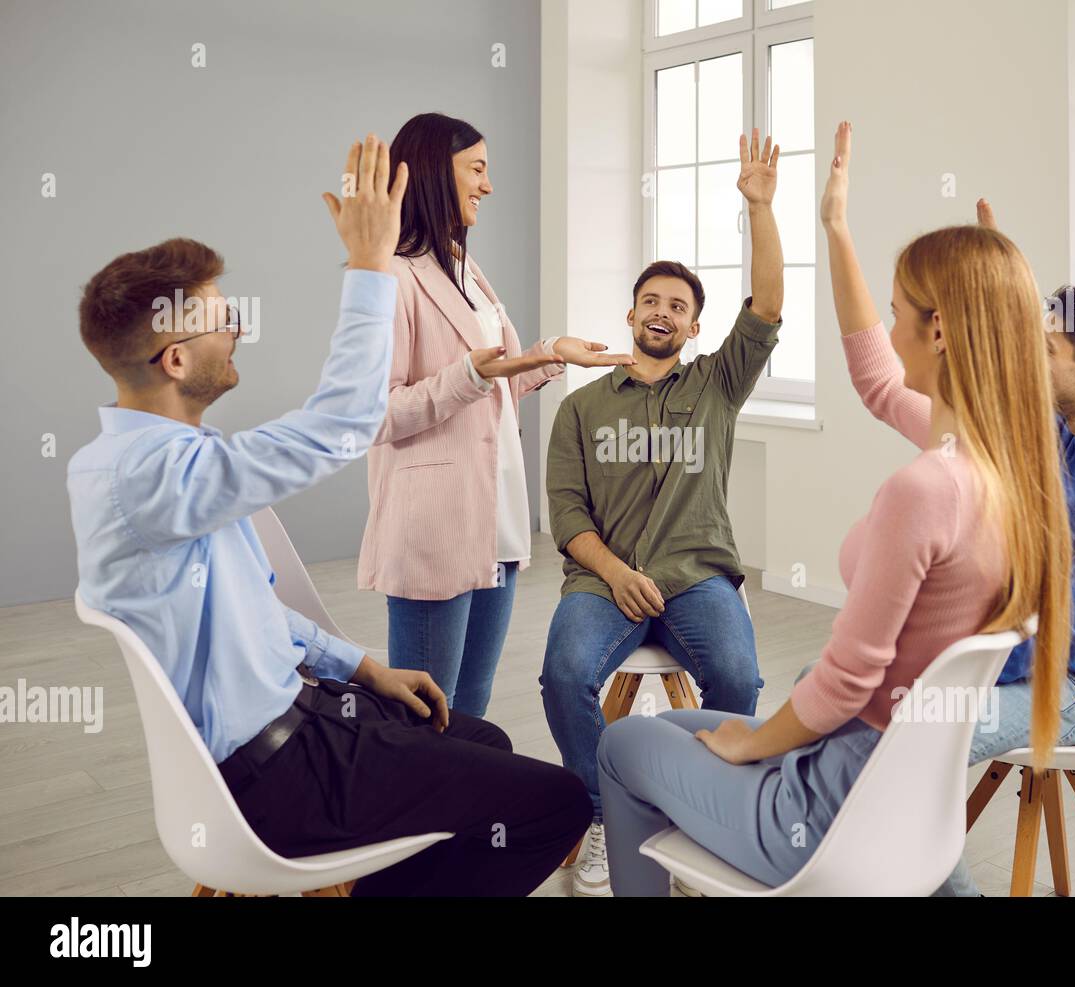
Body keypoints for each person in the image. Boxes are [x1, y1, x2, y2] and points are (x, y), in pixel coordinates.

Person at [68, 135, 591, 896]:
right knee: (559, 803)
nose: (238, 329)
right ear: (174, 359)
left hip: (308, 710)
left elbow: (257, 608)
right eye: (223, 319)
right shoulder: (152, 477)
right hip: (278, 772)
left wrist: (365, 666)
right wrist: (369, 264)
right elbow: (346, 423)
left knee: (480, 736)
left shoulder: (168, 461)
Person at [594, 120, 1075, 897]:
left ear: (942, 330)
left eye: (899, 312)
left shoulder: (925, 490)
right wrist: (835, 229)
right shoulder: (1016, 469)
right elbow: (878, 378)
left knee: (620, 746)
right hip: (905, 798)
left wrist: (756, 747)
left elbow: (846, 684)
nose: (888, 331)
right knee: (671, 730)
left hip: (823, 807)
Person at [818, 123, 1075, 895]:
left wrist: (937, 669)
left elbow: (1064, 636)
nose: (1025, 352)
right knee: (868, 711)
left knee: (908, 733)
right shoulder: (1043, 431)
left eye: (1042, 346)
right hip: (1013, 654)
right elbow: (885, 386)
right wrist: (838, 231)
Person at [542, 129, 784, 895]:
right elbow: (566, 512)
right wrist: (612, 572)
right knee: (563, 673)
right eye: (651, 300)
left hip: (698, 578)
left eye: (677, 305)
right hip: (600, 581)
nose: (662, 312)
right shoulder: (580, 406)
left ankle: (703, 812)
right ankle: (608, 815)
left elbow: (770, 302)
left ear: (694, 328)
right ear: (630, 313)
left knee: (739, 679)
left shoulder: (716, 383)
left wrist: (760, 209)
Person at [358, 112, 633, 718]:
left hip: (497, 521)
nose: (487, 185)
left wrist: (550, 356)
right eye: (476, 170)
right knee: (427, 709)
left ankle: (469, 813)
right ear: (434, 173)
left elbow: (493, 385)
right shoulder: (393, 278)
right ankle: (419, 817)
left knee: (472, 706)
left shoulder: (462, 266)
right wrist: (473, 375)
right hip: (434, 526)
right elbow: (373, 414)